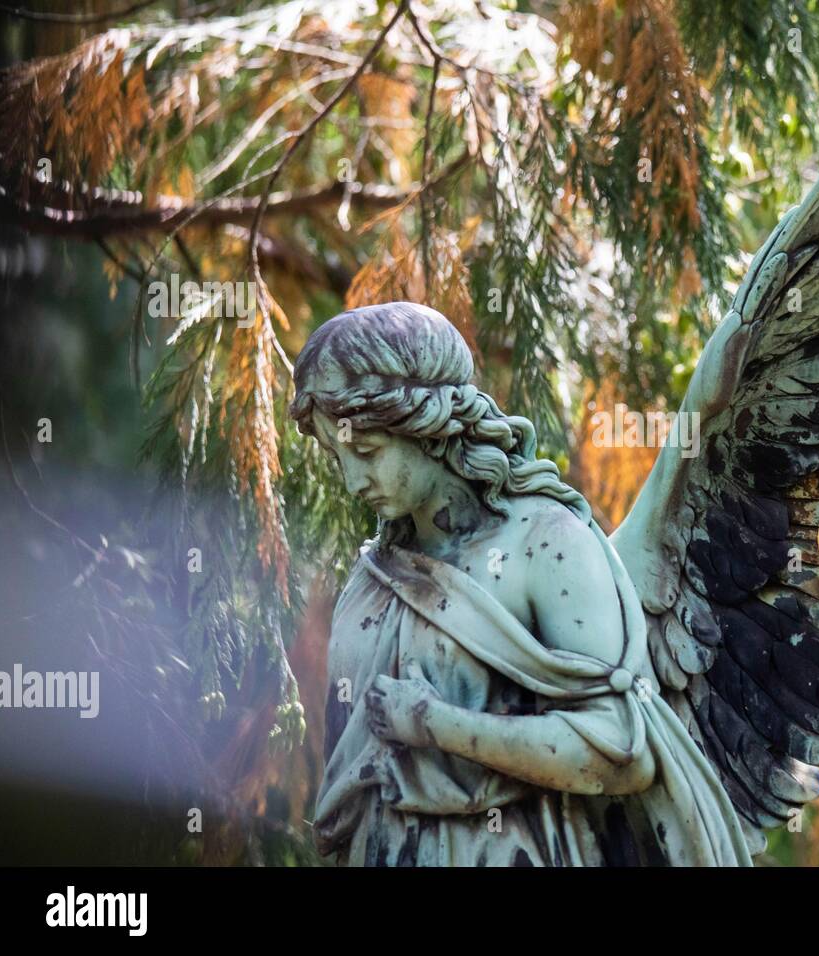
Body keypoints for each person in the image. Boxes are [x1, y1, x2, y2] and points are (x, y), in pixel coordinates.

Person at [289, 301, 752, 866]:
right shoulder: (372, 581)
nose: (354, 480)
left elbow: (619, 749)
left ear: (428, 427)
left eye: (366, 451)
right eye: (337, 458)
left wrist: (439, 726)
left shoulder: (547, 545)